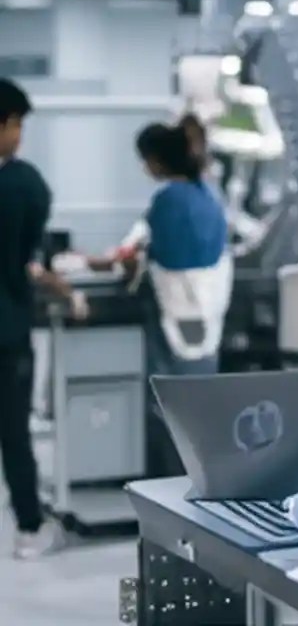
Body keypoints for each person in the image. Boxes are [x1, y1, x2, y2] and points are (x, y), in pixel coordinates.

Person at [91, 123, 232, 476]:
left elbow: (144, 259)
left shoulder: (166, 201)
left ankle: (168, 488)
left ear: (157, 161)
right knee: (201, 411)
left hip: (172, 318)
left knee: (169, 411)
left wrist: (122, 263)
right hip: (208, 319)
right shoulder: (207, 198)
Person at [0, 78, 86, 559]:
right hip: (7, 331)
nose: (19, 136)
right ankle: (30, 528)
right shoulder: (22, 182)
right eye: (17, 126)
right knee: (14, 432)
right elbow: (30, 261)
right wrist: (65, 288)